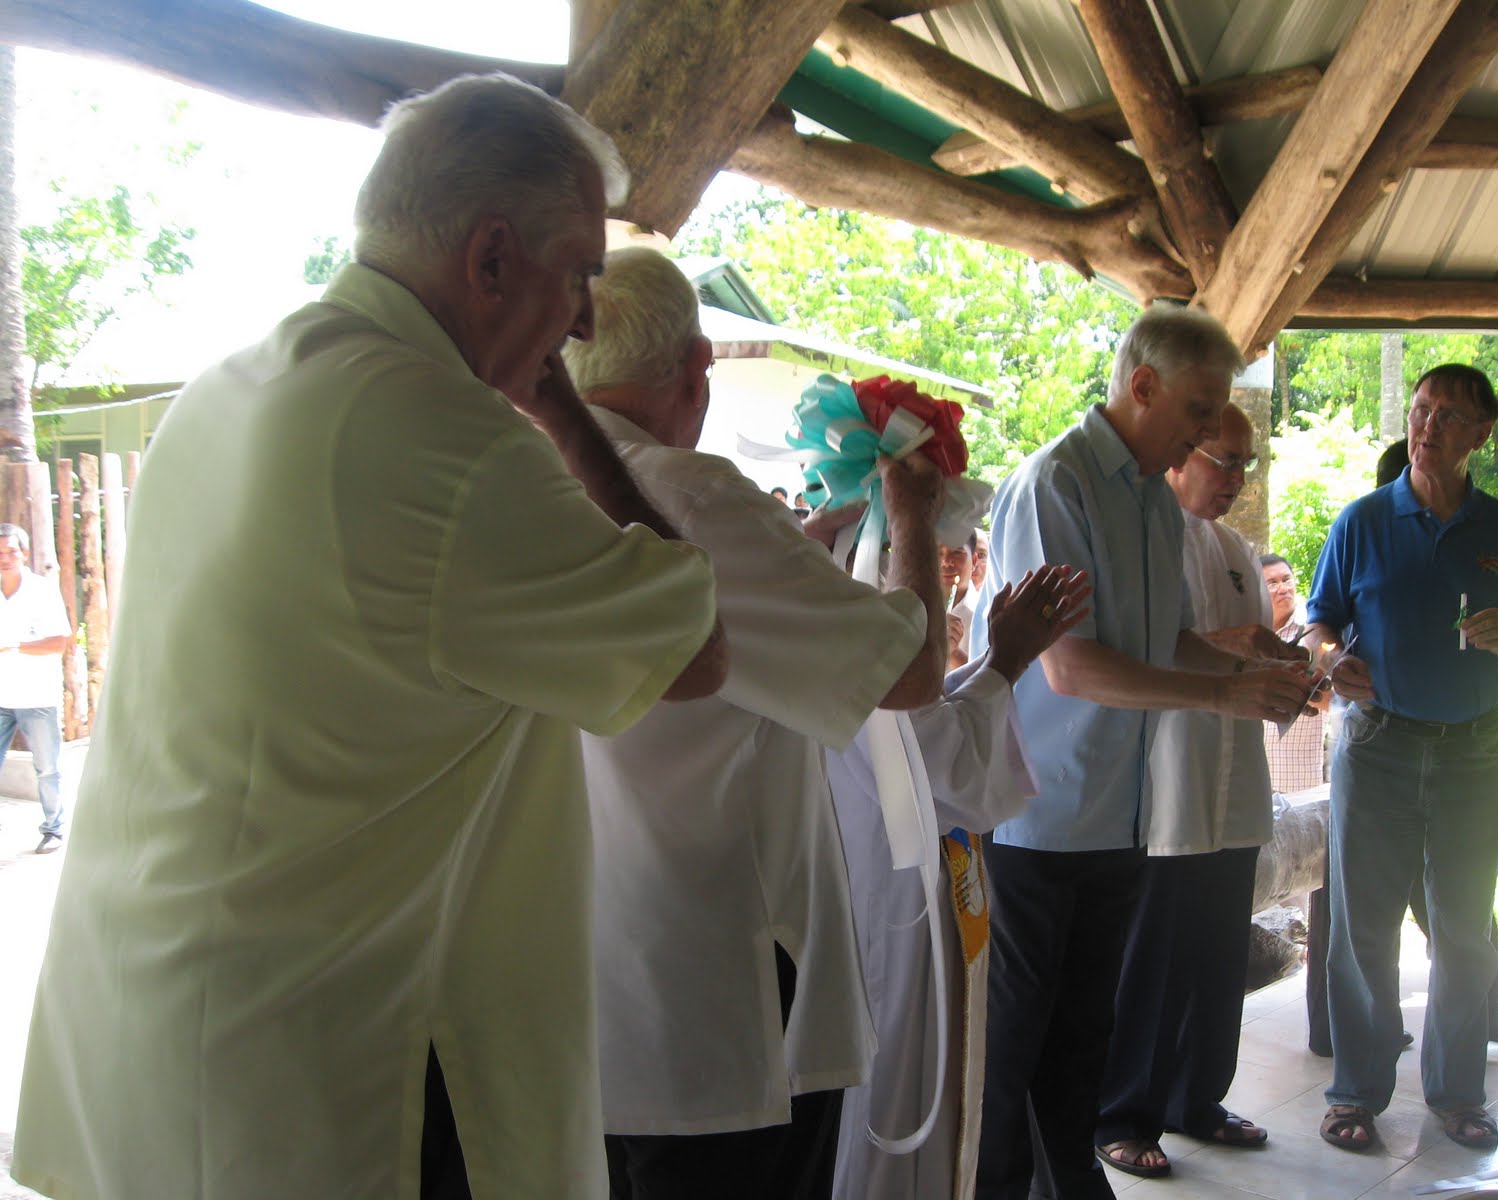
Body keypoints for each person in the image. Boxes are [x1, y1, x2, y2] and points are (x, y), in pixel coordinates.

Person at [13, 76, 727, 1200]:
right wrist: (568, 415)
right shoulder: (447, 443)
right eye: (580, 271)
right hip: (318, 1066)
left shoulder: (226, 389)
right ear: (491, 258)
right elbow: (694, 651)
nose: (585, 318)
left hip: (154, 1019)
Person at [563, 247, 948, 1200]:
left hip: (578, 972)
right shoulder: (693, 494)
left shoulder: (521, 483)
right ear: (696, 367)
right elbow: (912, 672)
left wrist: (793, 558)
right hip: (718, 982)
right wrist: (912, 518)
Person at [972, 305, 1313, 1200]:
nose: (1209, 433)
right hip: (1035, 815)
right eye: (1201, 411)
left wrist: (1243, 656)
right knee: (1013, 1040)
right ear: (1144, 385)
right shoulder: (1057, 485)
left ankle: (1070, 1178)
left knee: (1087, 1030)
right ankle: (999, 1185)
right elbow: (1074, 667)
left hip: (1116, 815)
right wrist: (1222, 694)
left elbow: (1159, 642)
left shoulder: (1155, 503)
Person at [1306, 364, 1498, 1155]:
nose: (1427, 426)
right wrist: (1331, 658)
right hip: (1377, 747)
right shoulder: (1363, 522)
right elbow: (1321, 624)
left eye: (1449, 416)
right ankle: (1355, 1094)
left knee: (1463, 931)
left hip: (1476, 753)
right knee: (1362, 928)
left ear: (1482, 433)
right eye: (1421, 411)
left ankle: (1457, 1094)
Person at [831, 566, 1090, 1200]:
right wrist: (1006, 661)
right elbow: (940, 764)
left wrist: (997, 664)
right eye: (933, 545)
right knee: (898, 1085)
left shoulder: (842, 621)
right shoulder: (851, 621)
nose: (950, 564)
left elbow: (922, 714)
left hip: (905, 894)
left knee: (930, 1076)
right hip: (893, 905)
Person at [1095, 404, 1282, 1178]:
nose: (1236, 479)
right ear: (1179, 456)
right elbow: (1131, 651)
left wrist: (1283, 664)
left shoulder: (1238, 549)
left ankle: (1197, 1098)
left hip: (1234, 779)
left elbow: (1247, 650)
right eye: (1223, 459)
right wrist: (1221, 650)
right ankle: (1123, 1114)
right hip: (1167, 780)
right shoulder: (1141, 535)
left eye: (1246, 463)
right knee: (1153, 960)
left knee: (1216, 953)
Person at [0, 524, 72, 853]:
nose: (4, 558)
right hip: (2, 697)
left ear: (24, 554)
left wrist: (15, 646)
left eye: (11, 552)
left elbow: (60, 641)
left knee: (47, 769)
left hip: (36, 696)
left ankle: (54, 829)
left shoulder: (41, 590)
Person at [1259, 554, 1328, 794]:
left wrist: (1295, 680)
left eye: (1287, 580)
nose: (1283, 589)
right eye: (1272, 583)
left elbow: (1334, 700)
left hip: (1298, 783)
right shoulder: (1250, 636)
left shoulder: (1312, 634)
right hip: (1255, 779)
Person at [942, 534, 978, 666]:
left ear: (974, 561)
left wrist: (954, 653)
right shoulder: (917, 609)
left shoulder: (984, 615)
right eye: (938, 553)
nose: (946, 561)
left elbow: (990, 679)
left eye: (957, 552)